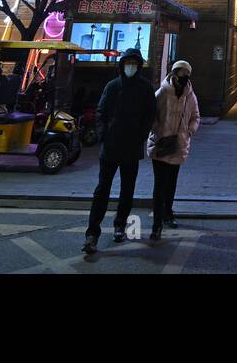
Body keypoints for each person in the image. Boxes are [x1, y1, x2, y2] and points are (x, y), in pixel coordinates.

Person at [83, 48, 156, 254]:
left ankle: (120, 226)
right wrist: (102, 134)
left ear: (139, 66)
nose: (130, 66)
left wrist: (141, 135)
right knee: (102, 190)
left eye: (134, 63)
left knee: (127, 189)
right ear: (122, 65)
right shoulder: (113, 86)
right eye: (127, 63)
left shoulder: (145, 88)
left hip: (131, 147)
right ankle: (92, 234)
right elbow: (101, 111)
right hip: (111, 146)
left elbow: (150, 113)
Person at [147, 59, 199, 241]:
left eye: (186, 73)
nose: (182, 76)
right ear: (173, 72)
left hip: (178, 145)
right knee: (160, 184)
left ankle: (168, 213)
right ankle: (157, 224)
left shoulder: (190, 95)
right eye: (180, 72)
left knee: (171, 183)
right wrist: (157, 129)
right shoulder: (162, 93)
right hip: (161, 144)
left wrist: (190, 131)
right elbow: (151, 113)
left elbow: (196, 116)